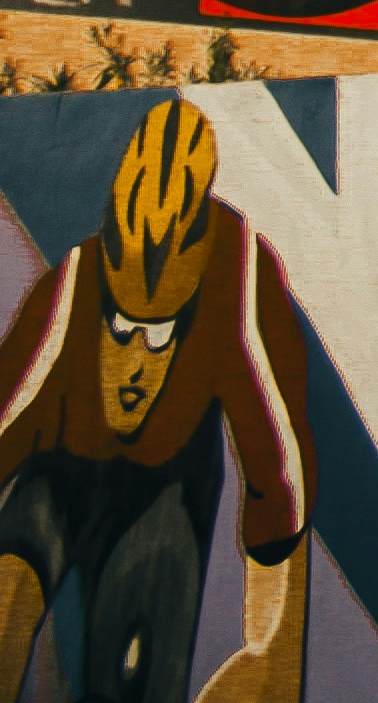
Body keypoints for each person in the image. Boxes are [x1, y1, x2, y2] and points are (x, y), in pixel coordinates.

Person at [0, 101, 316, 703]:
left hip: (164, 491)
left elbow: (280, 468)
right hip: (60, 472)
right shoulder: (69, 290)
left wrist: (270, 644)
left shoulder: (240, 286)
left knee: (134, 668)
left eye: (160, 336)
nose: (135, 368)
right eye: (121, 332)